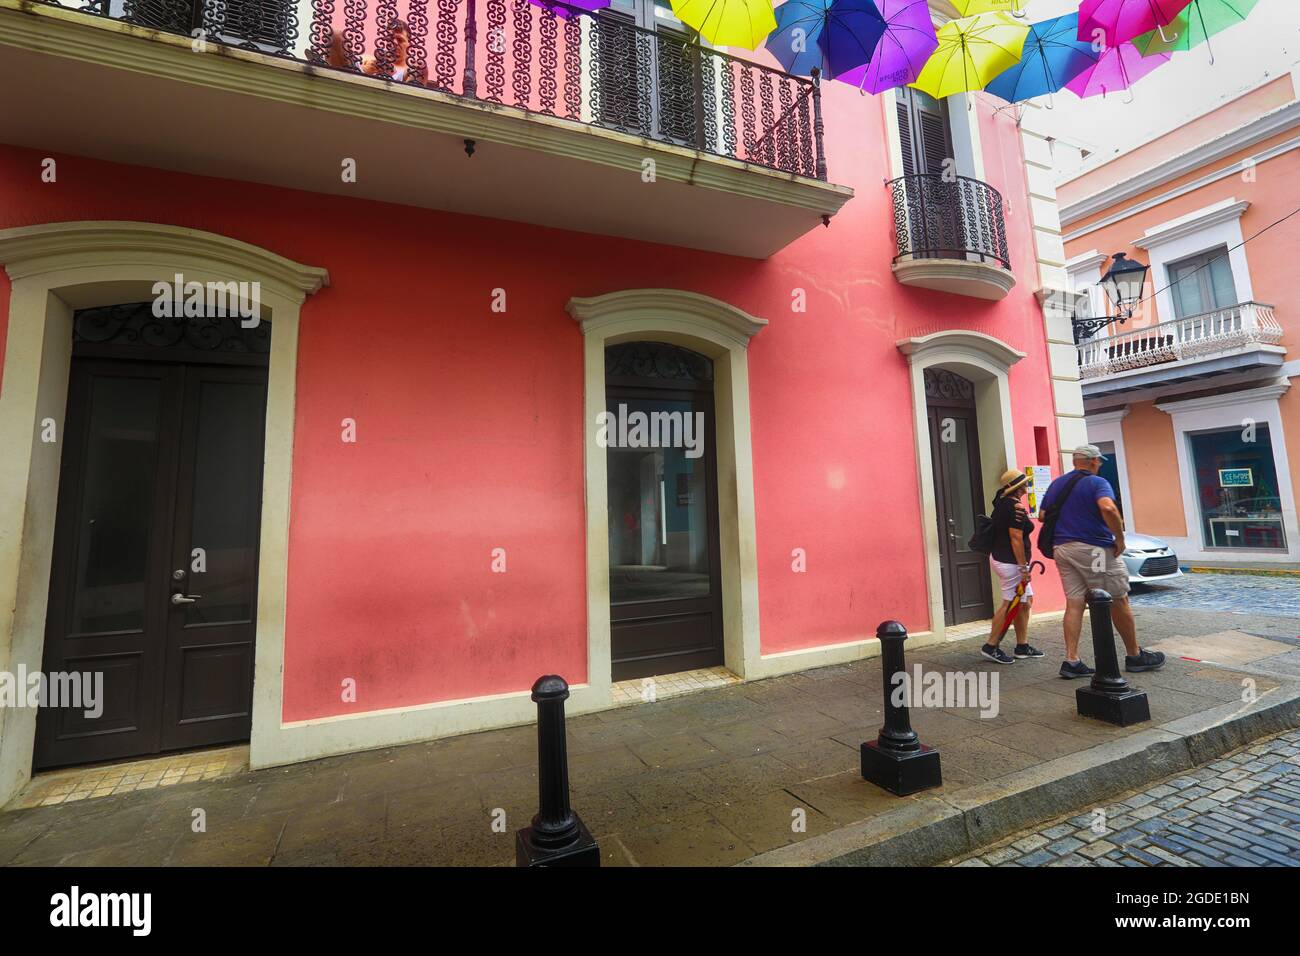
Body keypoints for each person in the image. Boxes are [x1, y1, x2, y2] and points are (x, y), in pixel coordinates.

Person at [1039, 445, 1165, 679]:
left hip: (1062, 548)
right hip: (1094, 549)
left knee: (1074, 602)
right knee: (1118, 598)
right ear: (1095, 461)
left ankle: (1072, 660)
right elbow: (1107, 507)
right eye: (1100, 462)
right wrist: (1119, 537)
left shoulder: (1057, 484)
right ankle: (1134, 655)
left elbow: (1043, 515)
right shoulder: (1097, 483)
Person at [981, 469, 1043, 664]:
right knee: (1010, 604)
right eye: (1023, 484)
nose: (1026, 487)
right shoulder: (1014, 507)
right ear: (1016, 488)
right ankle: (991, 646)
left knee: (1026, 602)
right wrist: (1023, 567)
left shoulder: (1001, 502)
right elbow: (1015, 538)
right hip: (1010, 562)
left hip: (1005, 559)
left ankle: (1022, 646)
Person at [361, 20, 428, 85]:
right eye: (390, 38)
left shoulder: (415, 68)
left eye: (400, 40)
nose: (395, 42)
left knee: (419, 67)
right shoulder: (373, 59)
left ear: (409, 43)